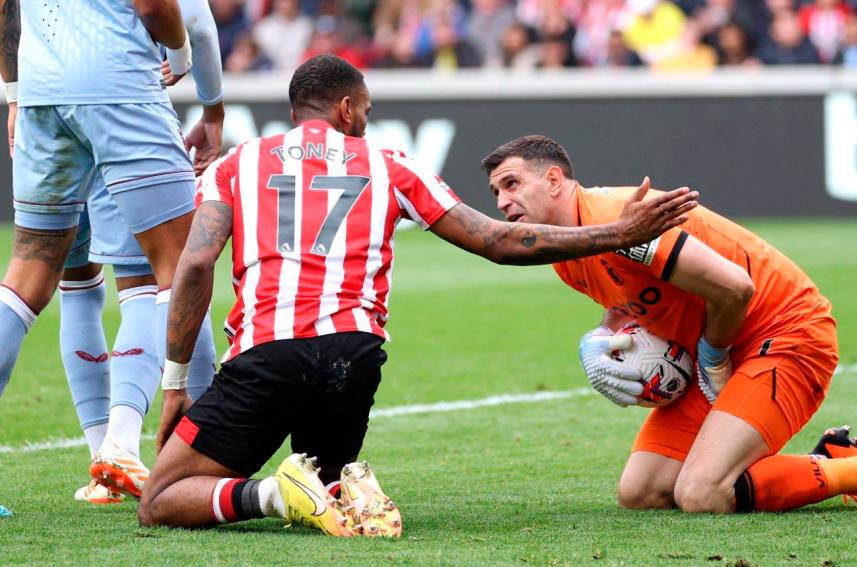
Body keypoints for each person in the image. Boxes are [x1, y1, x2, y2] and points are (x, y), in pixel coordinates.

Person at [137, 55, 699, 537]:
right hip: (353, 358)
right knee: (333, 496)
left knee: (160, 499)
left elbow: (194, 266)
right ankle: (335, 483)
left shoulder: (235, 165)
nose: (365, 121)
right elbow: (498, 241)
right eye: (367, 111)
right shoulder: (390, 165)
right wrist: (618, 234)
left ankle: (279, 497)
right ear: (347, 110)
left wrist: (176, 385)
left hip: (267, 353)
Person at [480, 134, 857, 514]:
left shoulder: (624, 222)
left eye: (511, 184)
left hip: (789, 333)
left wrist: (710, 357)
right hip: (722, 345)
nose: (502, 202)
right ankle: (830, 459)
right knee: (641, 491)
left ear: (555, 180)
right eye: (496, 191)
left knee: (703, 493)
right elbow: (628, 299)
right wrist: (605, 336)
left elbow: (735, 288)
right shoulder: (567, 253)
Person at [0, 0, 212, 503]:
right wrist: (180, 55)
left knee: (25, 281)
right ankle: (200, 461)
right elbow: (156, 5)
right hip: (119, 88)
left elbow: (6, 10)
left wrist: (13, 93)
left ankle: (111, 445)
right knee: (178, 266)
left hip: (40, 96)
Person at [56, 0, 225, 506]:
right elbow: (193, 20)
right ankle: (127, 442)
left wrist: (17, 98)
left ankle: (102, 470)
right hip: (121, 107)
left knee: (75, 288)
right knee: (161, 280)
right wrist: (212, 104)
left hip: (48, 111)